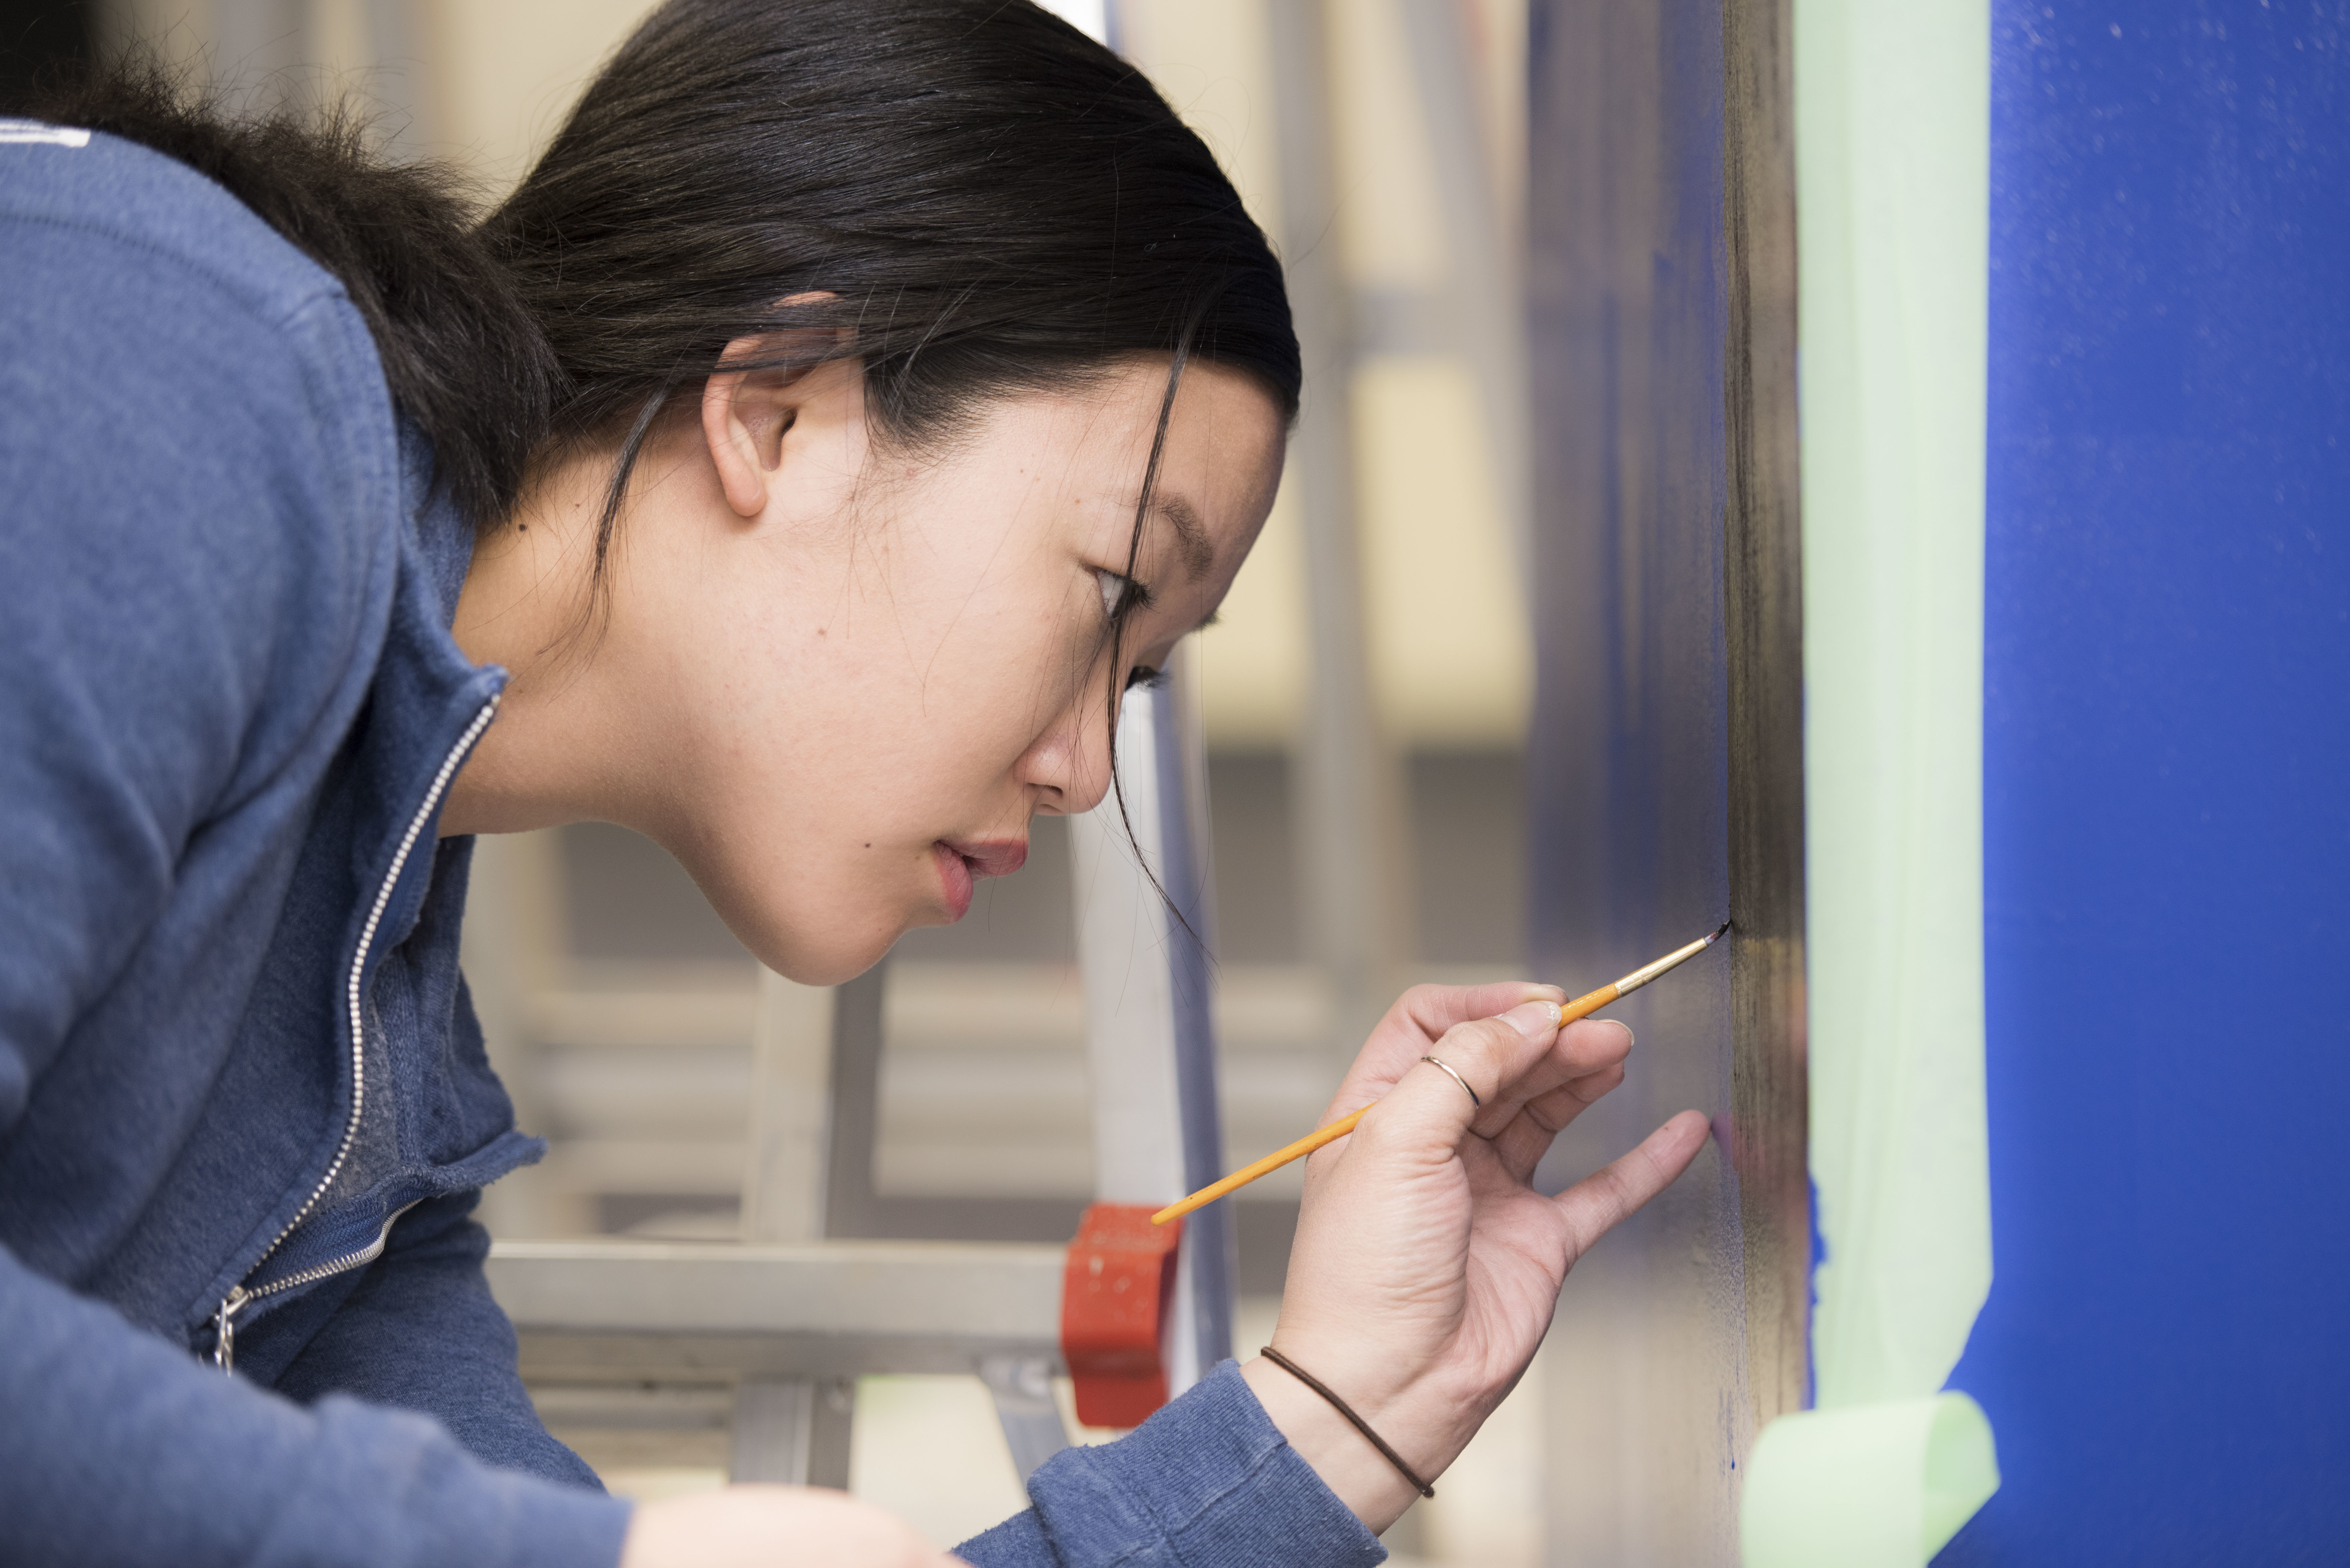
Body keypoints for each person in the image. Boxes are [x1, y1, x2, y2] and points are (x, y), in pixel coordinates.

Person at [0, 2, 1710, 1563]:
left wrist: (1336, 1416)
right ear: (781, 413)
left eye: (1142, 676)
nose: (1081, 771)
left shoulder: (377, 1097)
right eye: (1111, 595)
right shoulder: (152, 359)